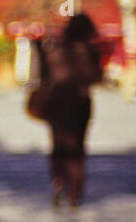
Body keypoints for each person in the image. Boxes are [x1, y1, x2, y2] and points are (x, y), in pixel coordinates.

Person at [40, 13, 103, 207]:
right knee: (76, 151)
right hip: (79, 102)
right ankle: (75, 195)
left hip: (56, 103)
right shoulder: (88, 51)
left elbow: (44, 75)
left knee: (58, 148)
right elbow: (97, 77)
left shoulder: (56, 49)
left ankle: (58, 184)